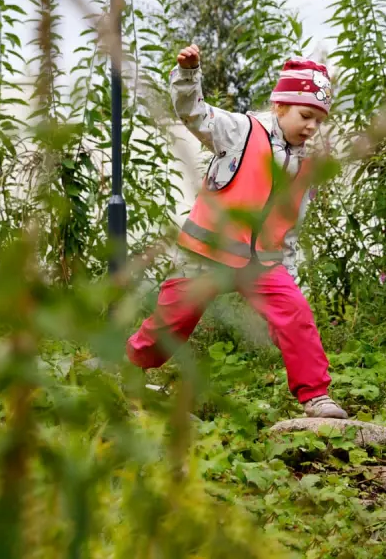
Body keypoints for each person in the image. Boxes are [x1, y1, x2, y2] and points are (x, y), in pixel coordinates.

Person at [125, 44, 347, 419]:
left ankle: (316, 397)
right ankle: (126, 368)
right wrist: (189, 75)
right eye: (305, 115)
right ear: (280, 106)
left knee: (295, 312)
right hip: (205, 255)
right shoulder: (239, 130)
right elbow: (193, 113)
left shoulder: (305, 165)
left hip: (262, 262)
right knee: (171, 323)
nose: (311, 126)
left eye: (319, 121)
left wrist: (289, 277)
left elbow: (289, 225)